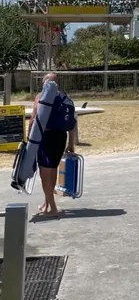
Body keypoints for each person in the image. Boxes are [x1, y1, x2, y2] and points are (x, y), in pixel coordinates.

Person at [29, 73, 76, 216]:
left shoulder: (40, 97)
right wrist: (71, 143)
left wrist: (29, 140)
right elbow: (73, 123)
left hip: (45, 137)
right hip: (60, 137)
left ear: (45, 84)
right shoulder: (64, 98)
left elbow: (33, 119)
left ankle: (53, 208)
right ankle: (47, 202)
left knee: (44, 173)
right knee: (52, 169)